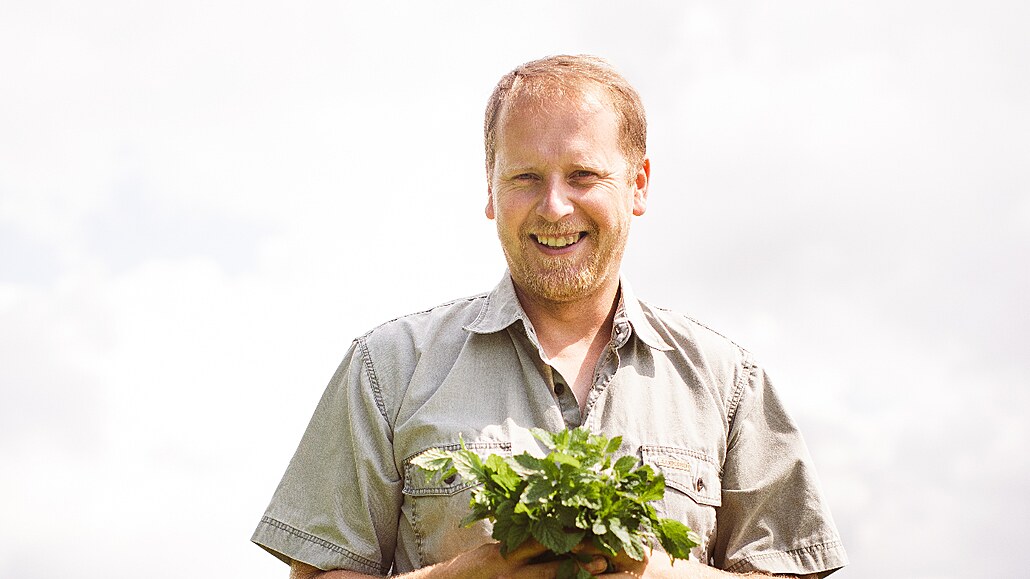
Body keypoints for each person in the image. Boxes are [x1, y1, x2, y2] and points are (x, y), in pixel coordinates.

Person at [252, 55, 848, 579]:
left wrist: (662, 575)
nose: (555, 206)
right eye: (526, 178)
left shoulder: (727, 381)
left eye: (583, 176)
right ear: (491, 191)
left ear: (638, 184)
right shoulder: (388, 369)